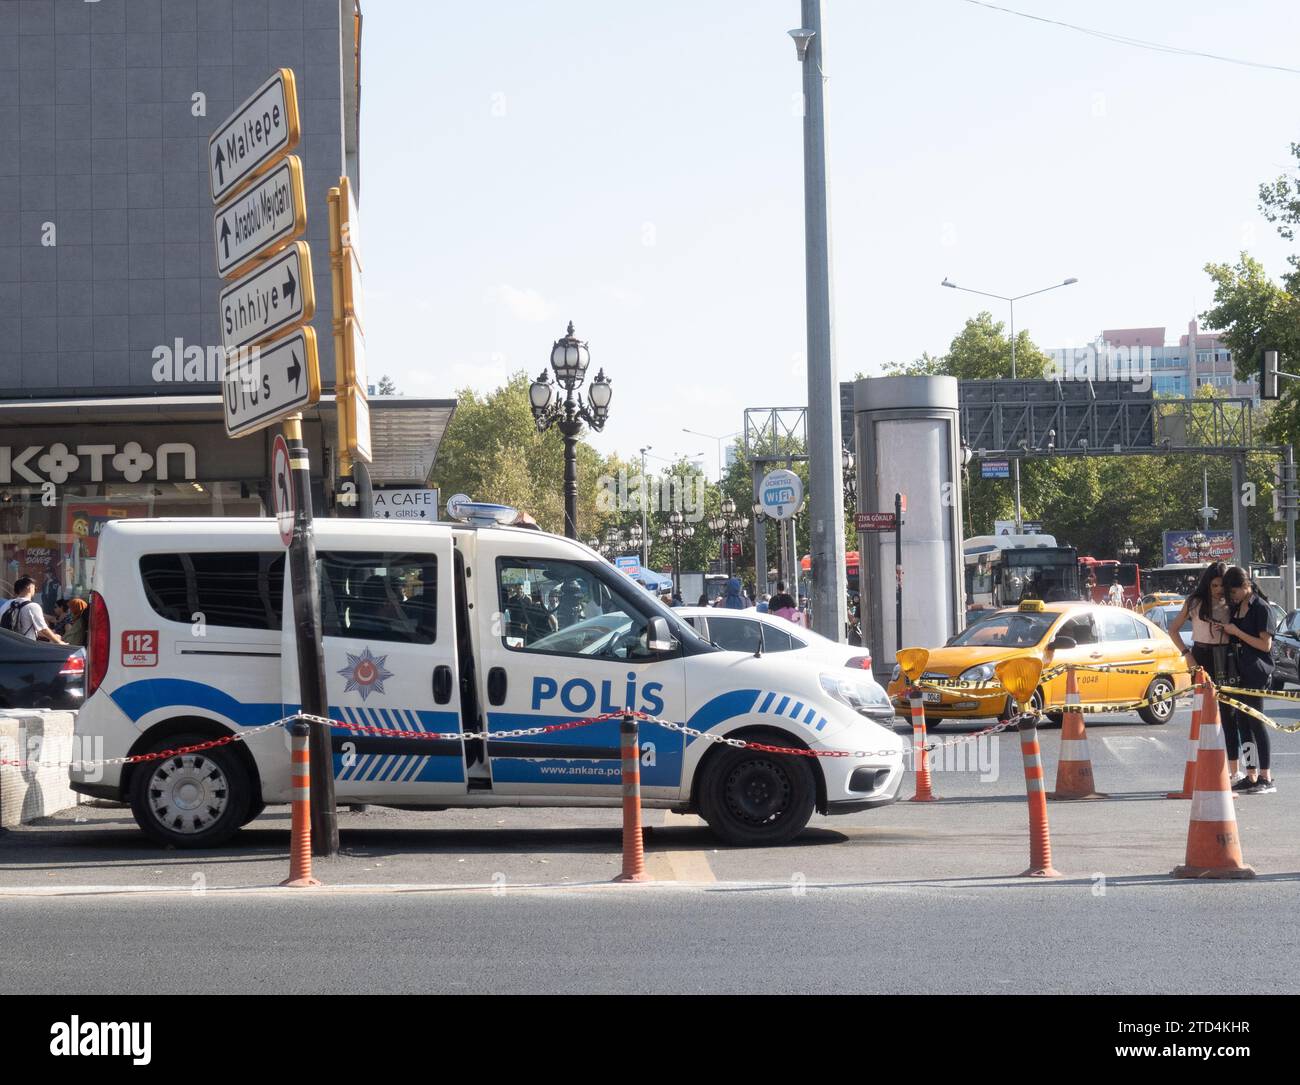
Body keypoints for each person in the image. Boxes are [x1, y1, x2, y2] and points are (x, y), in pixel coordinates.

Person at [1220, 566, 1276, 794]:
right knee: (1243, 724)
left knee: (1256, 722)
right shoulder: (1237, 608)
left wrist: (1237, 632)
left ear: (1245, 586)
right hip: (1239, 671)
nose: (1231, 596)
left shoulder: (1261, 608)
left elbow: (1265, 645)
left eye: (1233, 592)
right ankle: (1251, 774)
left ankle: (1266, 775)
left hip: (1256, 671)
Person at [0, 576, 64, 643]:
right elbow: (43, 629)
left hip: (8, 645)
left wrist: (53, 635)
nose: (35, 589)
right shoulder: (33, 606)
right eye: (34, 587)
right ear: (29, 588)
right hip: (26, 646)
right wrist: (59, 642)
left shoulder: (7, 604)